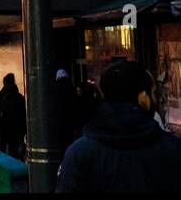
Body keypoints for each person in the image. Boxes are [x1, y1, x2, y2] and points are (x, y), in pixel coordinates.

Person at [57, 60, 181, 192]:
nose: (157, 98)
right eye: (153, 92)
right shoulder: (173, 149)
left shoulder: (79, 153)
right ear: (143, 98)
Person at [0, 73, 27, 159]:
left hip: (2, 129)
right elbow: (23, 116)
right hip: (15, 130)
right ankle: (13, 170)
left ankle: (2, 169)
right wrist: (24, 132)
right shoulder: (19, 98)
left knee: (1, 152)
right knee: (14, 153)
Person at [54, 68, 80, 157]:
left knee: (60, 144)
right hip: (70, 121)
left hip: (58, 122)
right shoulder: (72, 89)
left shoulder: (54, 89)